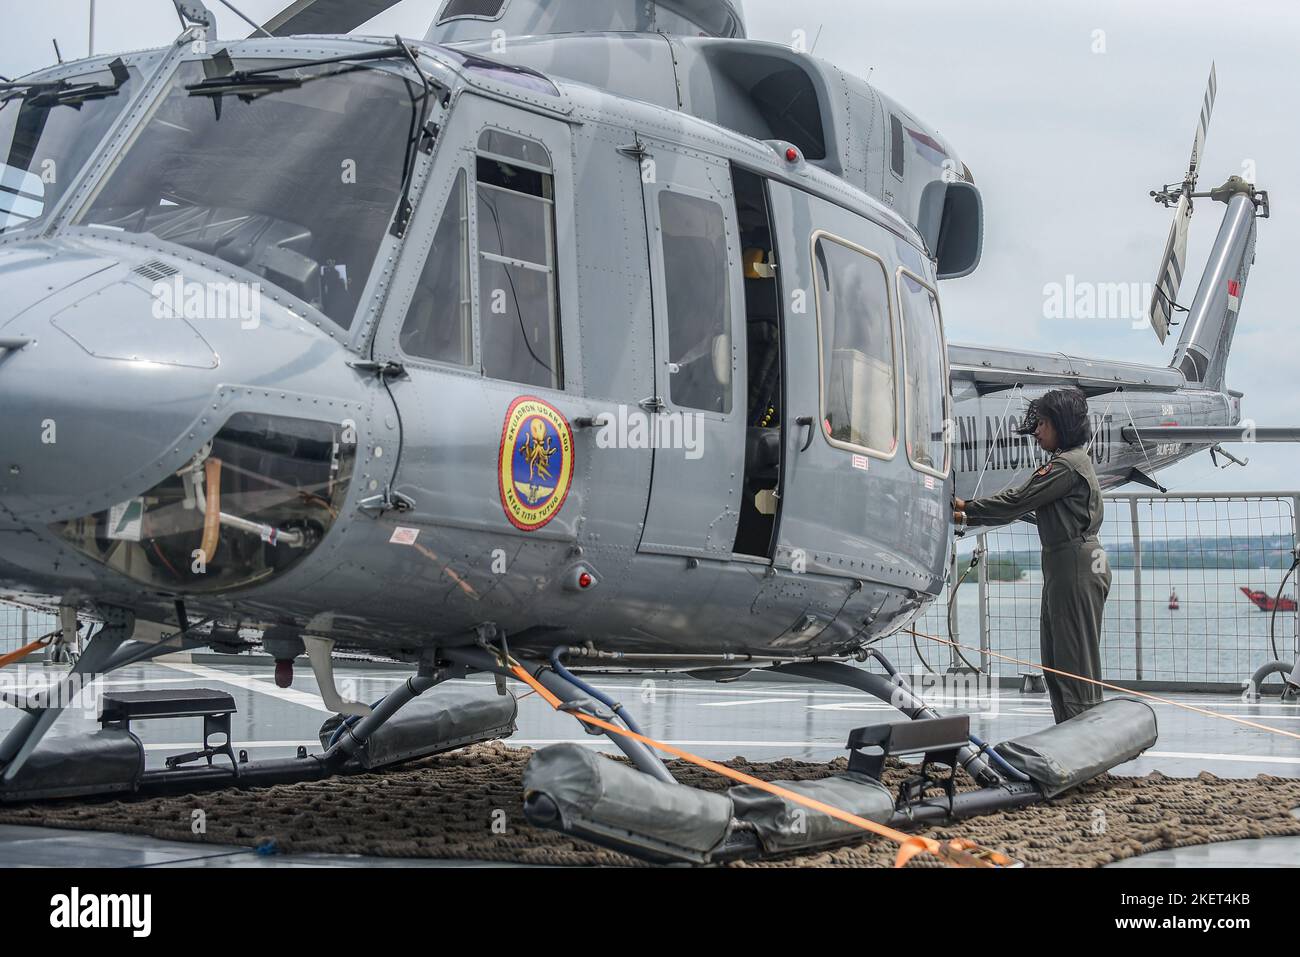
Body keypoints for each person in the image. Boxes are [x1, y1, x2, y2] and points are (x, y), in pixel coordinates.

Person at [953, 388, 1110, 724]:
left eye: (1043, 423)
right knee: (1056, 661)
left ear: (1061, 425)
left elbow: (1017, 501)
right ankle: (1069, 731)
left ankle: (1086, 734)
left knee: (1074, 665)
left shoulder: (1066, 466)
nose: (1037, 431)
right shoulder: (1069, 463)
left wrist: (967, 509)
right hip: (1063, 564)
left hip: (1074, 567)